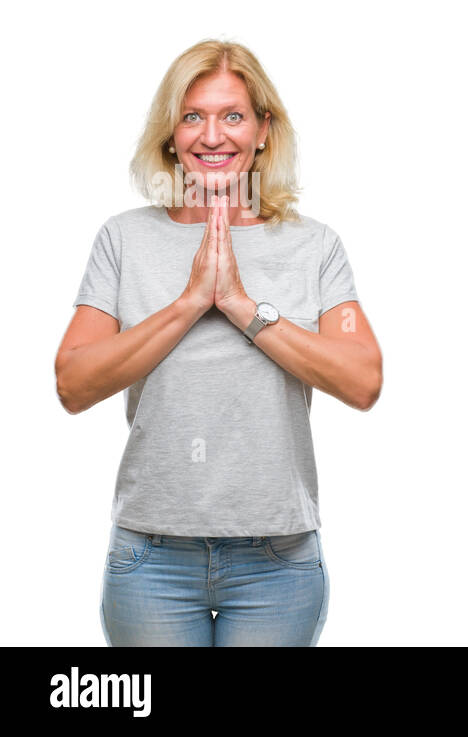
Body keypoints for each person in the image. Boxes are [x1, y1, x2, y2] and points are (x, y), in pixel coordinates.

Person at [55, 40, 382, 646]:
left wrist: (240, 305)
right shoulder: (124, 239)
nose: (213, 136)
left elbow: (362, 381)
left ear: (263, 130)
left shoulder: (314, 246)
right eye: (192, 116)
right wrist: (188, 303)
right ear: (170, 134)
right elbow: (74, 383)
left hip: (277, 563)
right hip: (151, 560)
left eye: (232, 115)